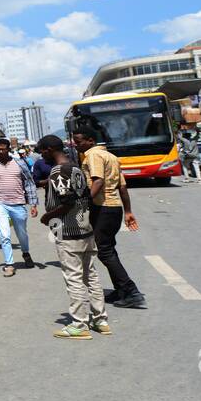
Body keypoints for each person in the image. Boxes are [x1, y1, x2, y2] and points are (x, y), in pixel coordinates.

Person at [36, 135, 110, 339]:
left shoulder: (58, 171)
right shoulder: (76, 168)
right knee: (91, 275)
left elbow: (67, 201)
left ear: (50, 149)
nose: (42, 156)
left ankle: (79, 324)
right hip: (85, 228)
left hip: (68, 231)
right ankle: (100, 319)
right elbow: (85, 195)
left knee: (74, 277)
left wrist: (47, 216)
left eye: (42, 151)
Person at [72, 123, 145, 309]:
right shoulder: (111, 156)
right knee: (108, 248)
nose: (76, 145)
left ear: (90, 140)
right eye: (74, 142)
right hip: (114, 208)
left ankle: (131, 291)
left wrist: (83, 201)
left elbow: (98, 181)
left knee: (104, 250)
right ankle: (120, 289)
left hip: (102, 208)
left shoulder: (94, 155)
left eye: (79, 142)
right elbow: (122, 187)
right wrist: (127, 211)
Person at [0, 136, 38, 277]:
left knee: (22, 234)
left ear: (8, 149)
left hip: (18, 204)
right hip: (0, 204)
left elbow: (29, 183)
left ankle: (26, 253)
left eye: (3, 149)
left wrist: (33, 204)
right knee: (4, 235)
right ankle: (9, 264)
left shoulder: (20, 164)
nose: (1, 152)